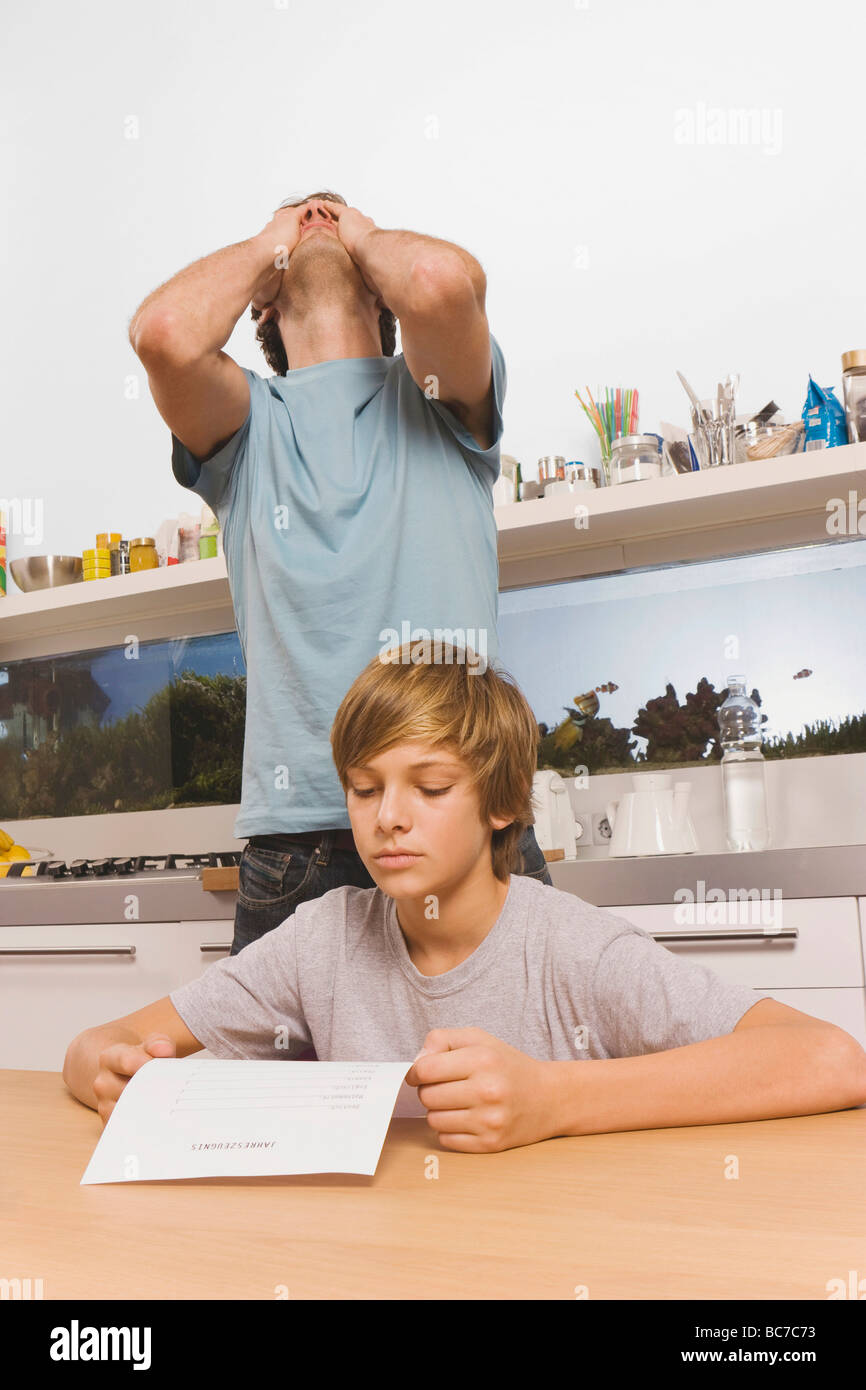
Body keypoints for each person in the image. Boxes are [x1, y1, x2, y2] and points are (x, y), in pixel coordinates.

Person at [62, 644, 866, 1154]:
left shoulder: (571, 948)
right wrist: (113, 1069)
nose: (388, 818)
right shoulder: (324, 939)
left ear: (503, 801)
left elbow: (831, 1059)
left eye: (431, 787)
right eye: (365, 788)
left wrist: (550, 1100)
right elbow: (98, 1042)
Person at [127, 188, 552, 966]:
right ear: (258, 303)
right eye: (301, 215)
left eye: (333, 210)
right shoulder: (246, 428)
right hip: (301, 851)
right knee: (294, 1094)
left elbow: (439, 283)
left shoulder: (439, 403)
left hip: (469, 825)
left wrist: (354, 235)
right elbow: (164, 336)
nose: (316, 215)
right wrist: (270, 246)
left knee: (518, 1083)